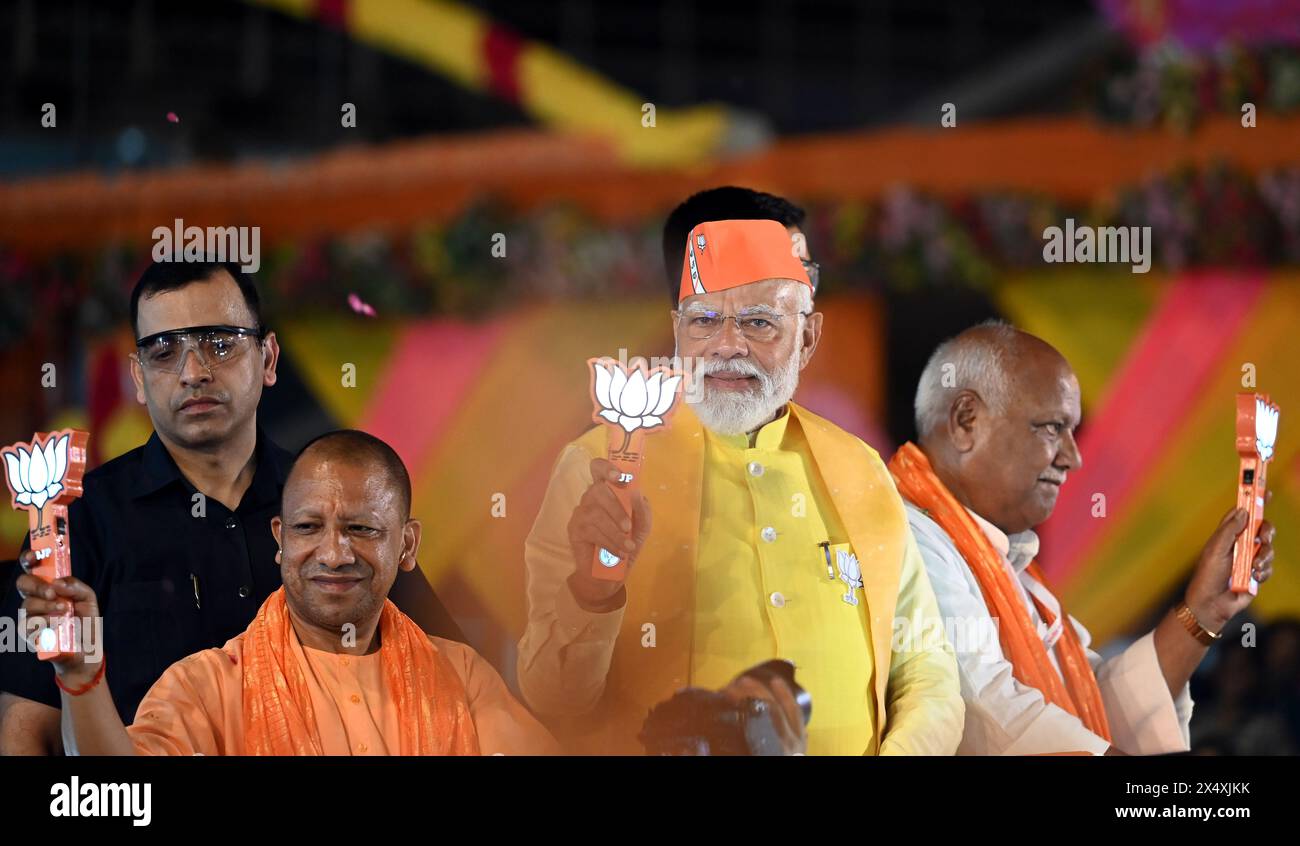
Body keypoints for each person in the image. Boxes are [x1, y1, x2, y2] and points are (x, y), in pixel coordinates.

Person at [518, 213, 962, 755]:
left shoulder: (861, 469)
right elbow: (553, 701)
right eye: (704, 321)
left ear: (808, 337)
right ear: (678, 332)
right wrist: (593, 593)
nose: (727, 346)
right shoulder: (598, 469)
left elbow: (926, 669)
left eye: (758, 322)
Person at [15, 430, 557, 755]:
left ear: (407, 545)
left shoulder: (461, 678)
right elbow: (119, 802)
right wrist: (81, 680)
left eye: (362, 529)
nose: (334, 554)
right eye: (307, 528)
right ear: (279, 540)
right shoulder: (206, 687)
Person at [889, 321, 1278, 755]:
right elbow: (992, 716)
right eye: (1051, 427)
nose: (1072, 458)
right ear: (967, 421)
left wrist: (1203, 610)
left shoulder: (1015, 572)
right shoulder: (908, 539)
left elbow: (1095, 710)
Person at [0, 260, 291, 754]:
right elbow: (27, 729)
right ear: (138, 377)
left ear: (267, 357)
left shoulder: (332, 500)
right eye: (164, 351)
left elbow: (421, 667)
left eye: (219, 344)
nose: (193, 372)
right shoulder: (76, 523)